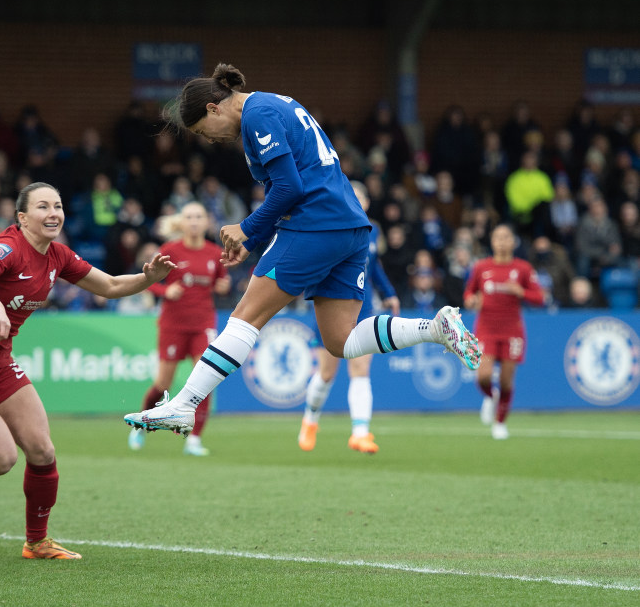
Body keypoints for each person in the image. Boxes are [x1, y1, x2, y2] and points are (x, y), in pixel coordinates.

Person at [124, 63, 481, 436]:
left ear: (214, 108)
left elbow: (290, 189)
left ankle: (184, 405)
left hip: (315, 223)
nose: (209, 141)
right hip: (348, 226)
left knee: (245, 317)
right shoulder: (271, 106)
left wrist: (246, 229)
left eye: (202, 131)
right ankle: (435, 328)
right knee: (341, 340)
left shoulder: (257, 115)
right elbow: (290, 184)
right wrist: (255, 241)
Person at [0, 181, 175, 560]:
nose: (53, 213)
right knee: (0, 460)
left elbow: (109, 285)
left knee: (42, 450)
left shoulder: (57, 256)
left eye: (58, 206)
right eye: (43, 207)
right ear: (22, 217)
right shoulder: (9, 247)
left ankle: (37, 542)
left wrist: (149, 279)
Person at [299, 182, 399, 454]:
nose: (356, 200)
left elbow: (374, 266)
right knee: (327, 373)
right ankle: (310, 420)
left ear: (367, 202)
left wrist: (389, 293)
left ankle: (360, 433)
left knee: (360, 370)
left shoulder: (373, 230)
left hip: (363, 307)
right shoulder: (327, 225)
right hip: (331, 307)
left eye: (361, 197)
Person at [128, 202, 231, 456]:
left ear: (207, 222)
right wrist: (165, 290)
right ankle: (141, 425)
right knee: (163, 382)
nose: (194, 221)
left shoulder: (213, 252)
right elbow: (147, 281)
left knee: (205, 380)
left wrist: (223, 285)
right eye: (189, 217)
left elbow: (221, 280)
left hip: (202, 326)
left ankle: (194, 439)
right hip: (173, 325)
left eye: (199, 216)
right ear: (181, 223)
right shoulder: (170, 250)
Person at [463, 224, 545, 440]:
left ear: (513, 241)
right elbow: (469, 292)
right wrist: (471, 301)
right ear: (492, 241)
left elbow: (540, 298)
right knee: (483, 376)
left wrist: (521, 292)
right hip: (486, 329)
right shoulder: (481, 267)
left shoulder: (523, 268)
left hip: (512, 331)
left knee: (507, 381)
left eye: (506, 237)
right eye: (497, 237)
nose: (501, 241)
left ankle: (500, 423)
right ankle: (491, 396)